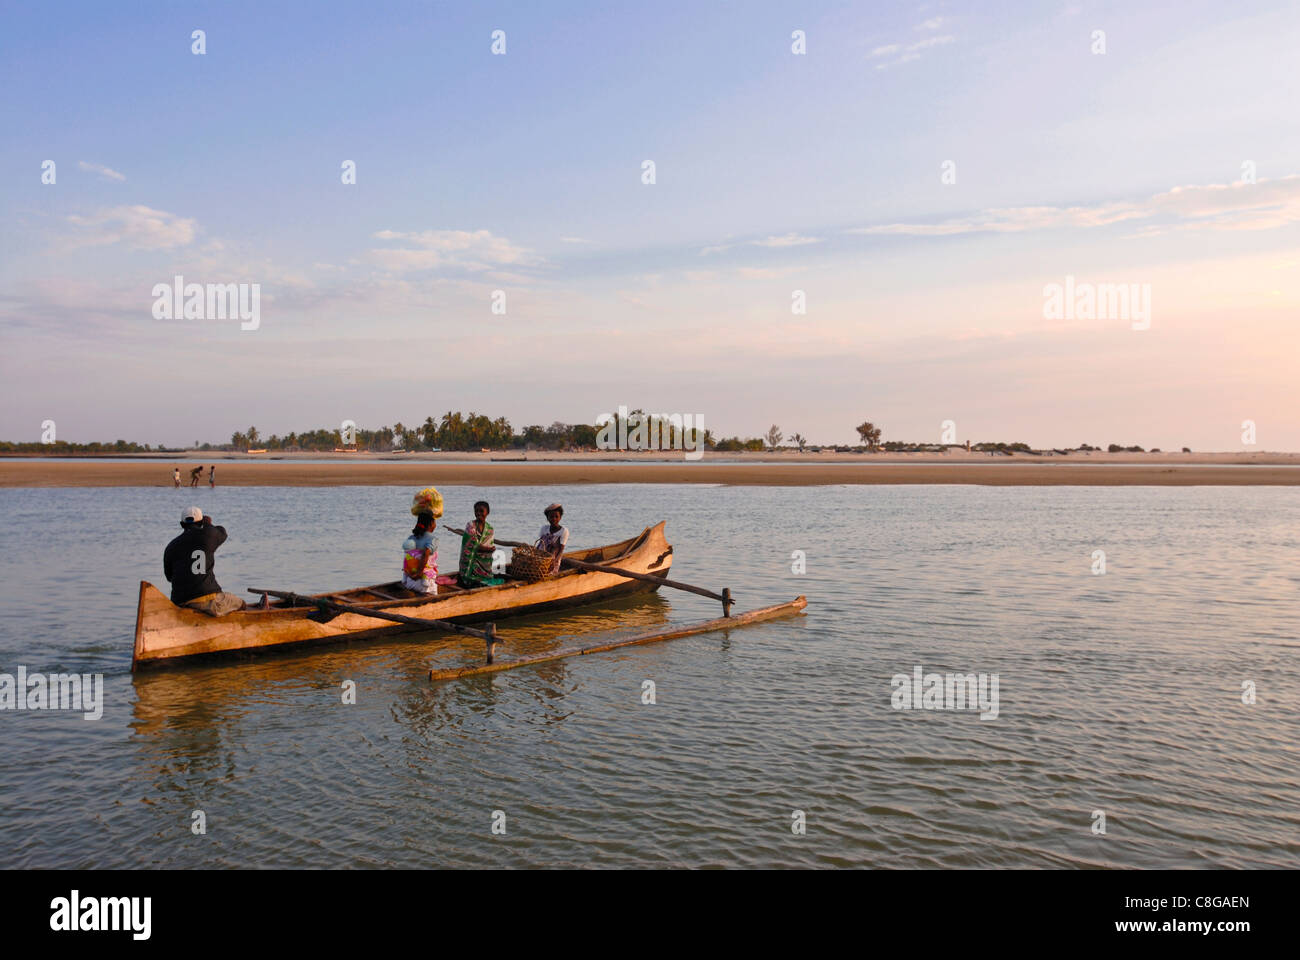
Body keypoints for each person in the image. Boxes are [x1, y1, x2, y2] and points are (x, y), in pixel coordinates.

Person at [163, 507, 246, 615]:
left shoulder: (171, 546)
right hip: (207, 599)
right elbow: (222, 532)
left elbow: (169, 577)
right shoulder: (207, 536)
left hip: (180, 601)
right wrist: (208, 524)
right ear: (201, 522)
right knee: (240, 603)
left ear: (182, 524)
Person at [457, 501, 501, 587]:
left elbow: (489, 545)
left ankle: (483, 577)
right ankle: (471, 578)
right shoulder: (470, 525)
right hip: (470, 563)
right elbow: (473, 545)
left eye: (481, 511)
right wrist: (488, 549)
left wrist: (490, 550)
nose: (478, 513)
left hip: (484, 560)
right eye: (476, 511)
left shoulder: (490, 529)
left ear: (487, 512)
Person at [401, 511, 439, 595]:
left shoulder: (411, 537)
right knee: (434, 592)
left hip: (409, 582)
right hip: (424, 585)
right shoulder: (433, 539)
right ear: (431, 524)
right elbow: (425, 553)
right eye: (435, 522)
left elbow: (406, 557)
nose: (435, 525)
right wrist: (419, 572)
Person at [537, 503, 569, 575]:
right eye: (551, 517)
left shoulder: (564, 531)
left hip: (553, 561)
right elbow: (539, 545)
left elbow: (561, 550)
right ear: (547, 518)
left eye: (556, 516)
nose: (554, 519)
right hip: (540, 559)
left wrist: (554, 562)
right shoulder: (544, 528)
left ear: (560, 517)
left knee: (548, 573)